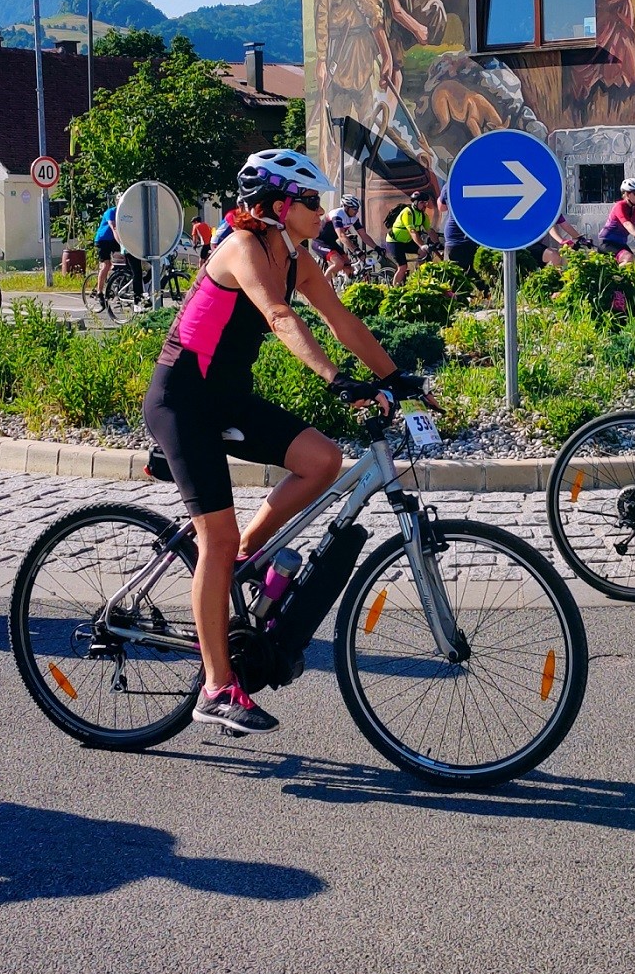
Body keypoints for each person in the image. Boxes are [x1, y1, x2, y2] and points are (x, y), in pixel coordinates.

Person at [142, 148, 400, 737]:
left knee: (323, 460)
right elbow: (281, 318)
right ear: (280, 206)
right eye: (312, 201)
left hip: (227, 398)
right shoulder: (241, 248)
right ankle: (214, 687)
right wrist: (335, 379)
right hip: (182, 401)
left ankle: (241, 563)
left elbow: (343, 321)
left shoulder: (296, 256)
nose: (322, 210)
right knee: (217, 531)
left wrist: (393, 377)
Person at [387, 193, 430, 281]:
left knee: (424, 253)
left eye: (426, 203)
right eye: (422, 202)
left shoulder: (423, 216)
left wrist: (437, 243)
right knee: (403, 267)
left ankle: (419, 278)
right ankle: (395, 290)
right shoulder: (408, 212)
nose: (425, 205)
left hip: (407, 242)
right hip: (395, 242)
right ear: (415, 202)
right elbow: (412, 231)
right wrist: (422, 245)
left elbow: (430, 231)